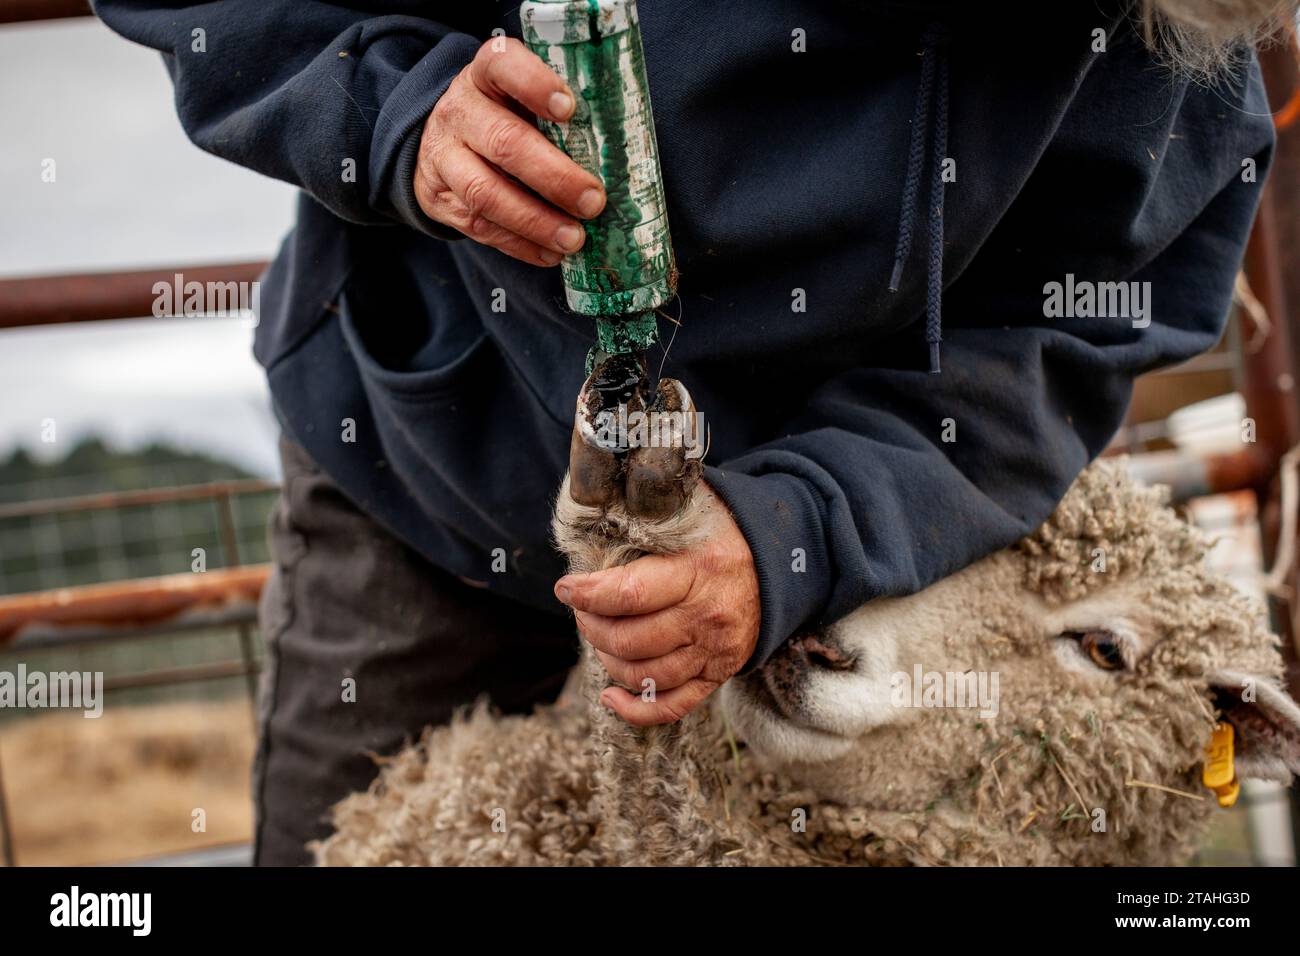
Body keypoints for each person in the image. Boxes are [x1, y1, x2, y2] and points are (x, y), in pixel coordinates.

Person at [95, 0, 1286, 864]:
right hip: (441, 465)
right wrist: (392, 109)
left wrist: (803, 528)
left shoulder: (1177, 38)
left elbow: (1060, 334)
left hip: (838, 574)